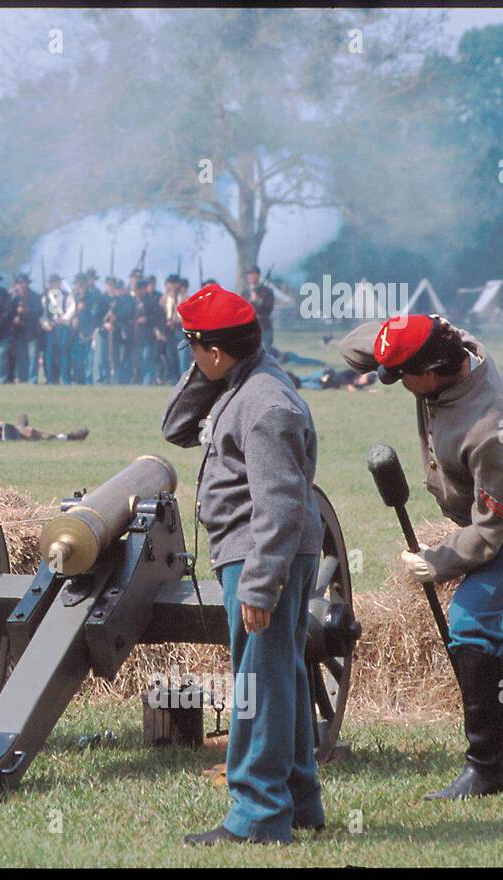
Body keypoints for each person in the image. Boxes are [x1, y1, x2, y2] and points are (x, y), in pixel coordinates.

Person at [341, 315, 503, 795]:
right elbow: (360, 346)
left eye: (402, 376)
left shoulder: (490, 427)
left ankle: (486, 769)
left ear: (432, 370)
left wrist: (439, 561)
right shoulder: (450, 343)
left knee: (472, 620)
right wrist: (388, 345)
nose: (397, 385)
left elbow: (492, 530)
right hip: (495, 518)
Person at [162, 283, 325, 845]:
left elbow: (279, 504)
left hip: (259, 553)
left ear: (213, 351)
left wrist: (259, 584)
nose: (191, 358)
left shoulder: (263, 404)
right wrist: (206, 362)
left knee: (260, 681)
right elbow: (177, 430)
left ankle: (257, 815)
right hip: (254, 549)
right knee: (282, 675)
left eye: (194, 349)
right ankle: (300, 802)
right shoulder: (242, 380)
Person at [9, 273, 43, 384]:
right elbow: (9, 313)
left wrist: (24, 312)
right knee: (21, 357)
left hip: (32, 331)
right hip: (19, 332)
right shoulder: (14, 298)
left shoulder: (36, 297)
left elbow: (38, 312)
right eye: (20, 283)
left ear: (27, 284)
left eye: (24, 283)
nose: (22, 285)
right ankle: (22, 377)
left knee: (33, 357)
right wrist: (15, 318)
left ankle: (32, 379)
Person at [41, 273, 73, 386]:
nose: (55, 284)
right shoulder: (45, 297)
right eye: (53, 282)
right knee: (49, 355)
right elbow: (43, 314)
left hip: (63, 327)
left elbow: (71, 310)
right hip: (51, 329)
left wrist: (62, 319)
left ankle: (65, 379)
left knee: (63, 354)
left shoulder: (67, 295)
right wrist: (45, 324)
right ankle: (51, 379)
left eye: (56, 282)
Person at [243, 266, 275, 350]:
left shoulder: (267, 291)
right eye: (249, 274)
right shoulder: (245, 293)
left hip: (264, 326)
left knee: (265, 353)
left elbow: (268, 309)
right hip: (248, 329)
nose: (251, 277)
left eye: (253, 274)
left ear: (258, 275)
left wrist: (258, 301)